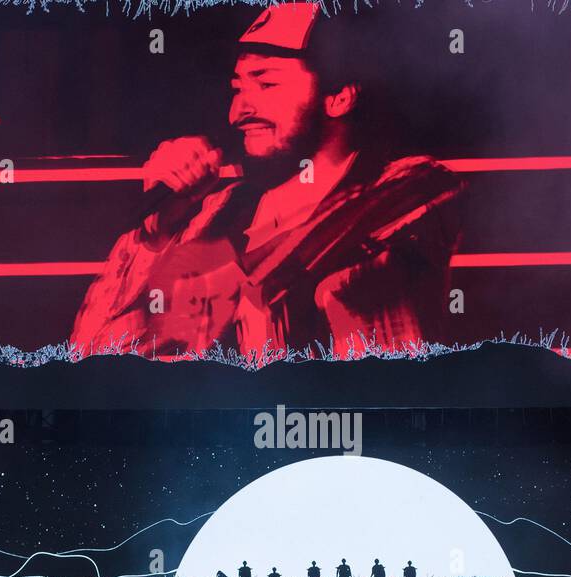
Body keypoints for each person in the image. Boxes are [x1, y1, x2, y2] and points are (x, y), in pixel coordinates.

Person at [68, 2, 465, 366]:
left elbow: (373, 348)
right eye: (238, 88)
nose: (238, 112)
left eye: (266, 84)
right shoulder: (218, 212)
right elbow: (89, 357)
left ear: (340, 96)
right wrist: (157, 232)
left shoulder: (405, 195)